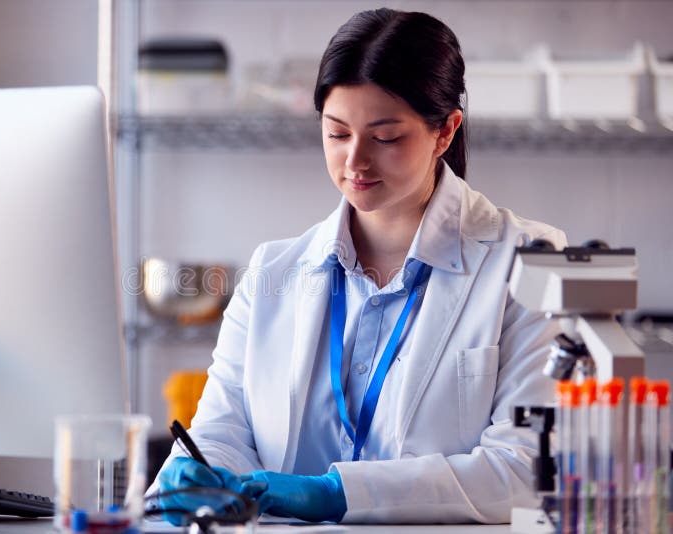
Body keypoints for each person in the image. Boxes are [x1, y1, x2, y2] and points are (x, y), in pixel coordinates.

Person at [149, 8, 565, 524]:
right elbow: (221, 431)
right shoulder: (273, 271)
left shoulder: (528, 261)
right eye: (337, 133)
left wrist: (338, 493)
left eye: (385, 137)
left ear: (445, 131)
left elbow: (527, 470)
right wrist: (198, 472)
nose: (355, 161)